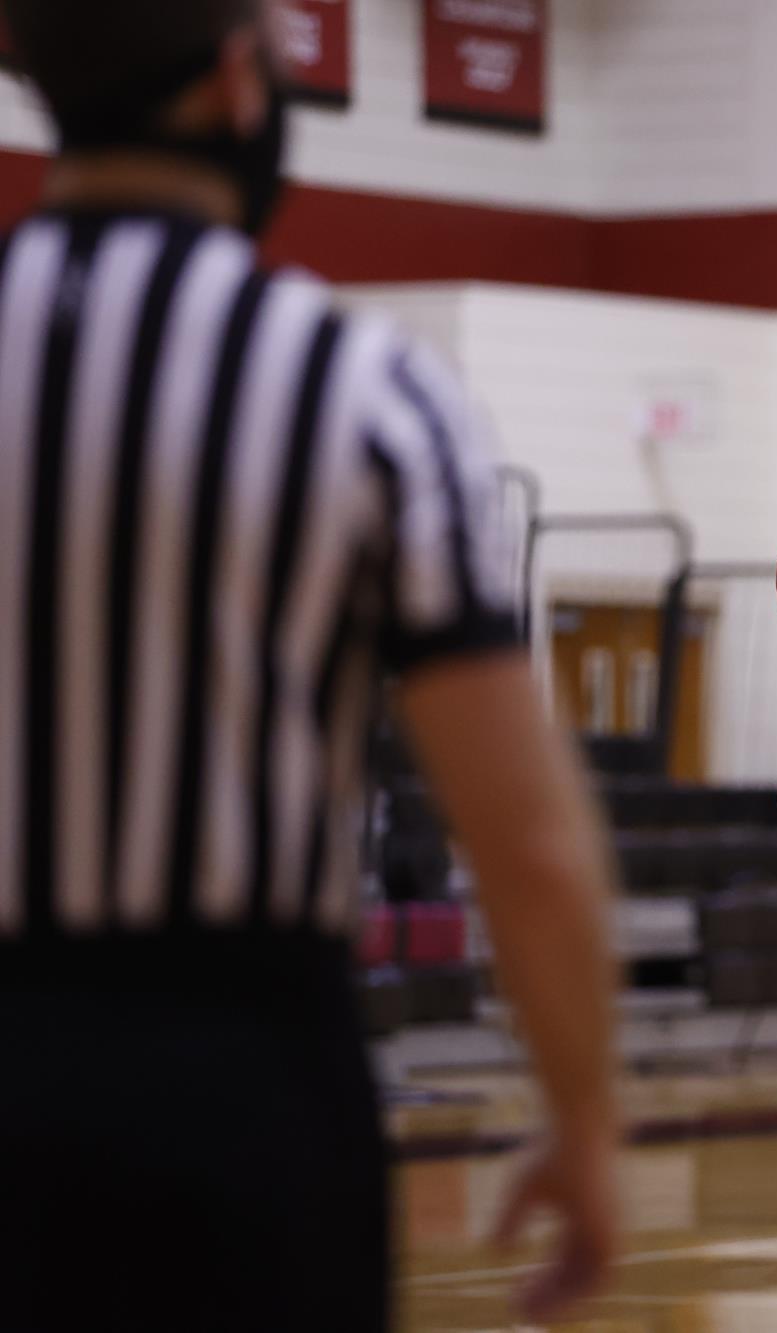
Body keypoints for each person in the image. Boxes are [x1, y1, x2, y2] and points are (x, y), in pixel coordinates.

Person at [0, 2, 622, 1327]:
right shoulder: (365, 386)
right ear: (237, 83)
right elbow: (526, 839)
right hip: (243, 1084)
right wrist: (584, 1114)